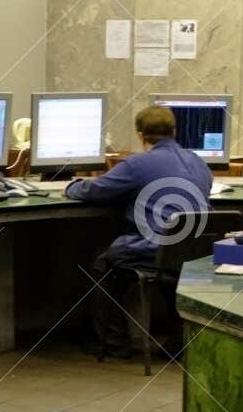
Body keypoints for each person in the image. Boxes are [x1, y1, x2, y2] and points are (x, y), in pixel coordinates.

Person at [65, 104, 213, 358]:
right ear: (174, 131)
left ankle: (115, 344)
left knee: (105, 261)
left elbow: (95, 191)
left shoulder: (137, 164)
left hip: (157, 247)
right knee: (173, 267)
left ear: (140, 135)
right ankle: (179, 342)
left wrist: (72, 186)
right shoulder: (197, 162)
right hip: (195, 250)